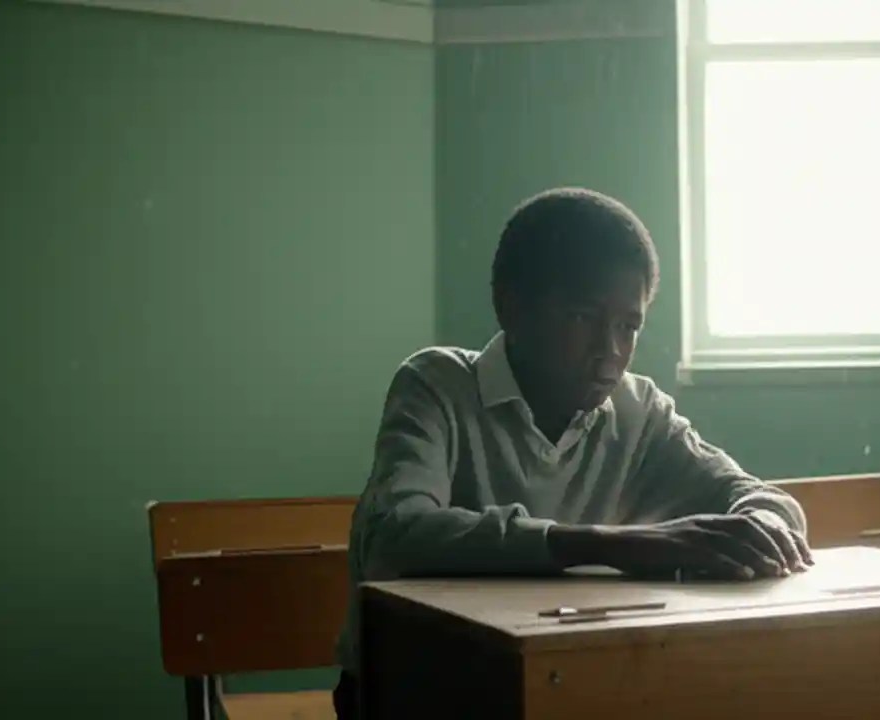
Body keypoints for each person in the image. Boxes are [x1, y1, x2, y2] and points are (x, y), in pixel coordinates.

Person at [332, 187, 811, 719]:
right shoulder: (436, 385)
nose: (610, 349)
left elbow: (763, 499)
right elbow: (396, 534)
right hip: (414, 695)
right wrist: (610, 545)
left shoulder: (638, 410)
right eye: (583, 317)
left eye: (629, 326)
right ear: (510, 306)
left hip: (568, 688)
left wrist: (758, 529)